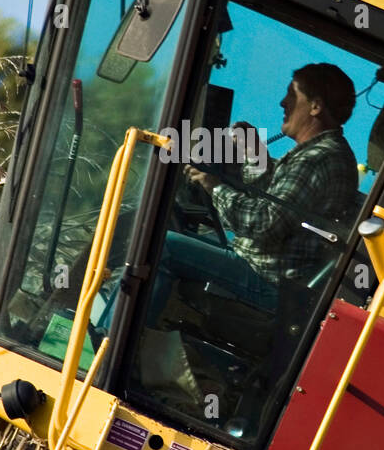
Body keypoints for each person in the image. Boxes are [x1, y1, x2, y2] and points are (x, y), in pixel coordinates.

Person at [151, 62, 359, 321]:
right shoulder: (322, 153)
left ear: (315, 107)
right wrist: (255, 155)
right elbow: (273, 206)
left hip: (269, 281)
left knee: (160, 247)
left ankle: (111, 339)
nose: (283, 103)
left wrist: (214, 186)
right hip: (260, 264)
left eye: (292, 96)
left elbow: (265, 224)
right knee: (163, 230)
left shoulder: (318, 158)